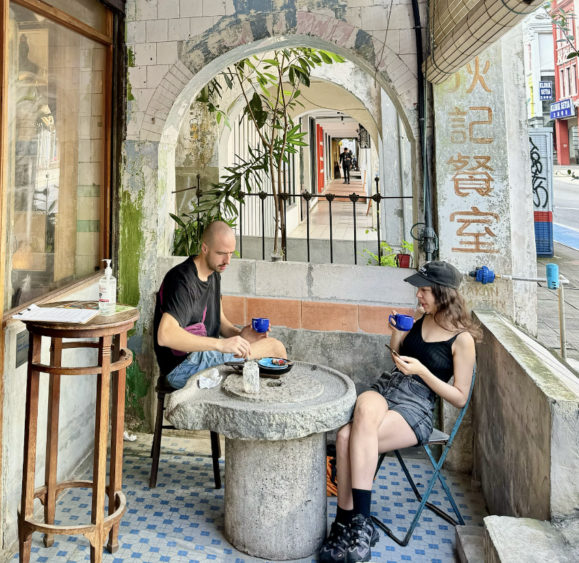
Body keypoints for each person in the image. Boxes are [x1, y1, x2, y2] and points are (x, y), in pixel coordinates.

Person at [319, 261, 479, 563]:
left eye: (424, 290)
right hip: (388, 387)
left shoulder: (462, 339)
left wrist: (424, 372)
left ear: (443, 293)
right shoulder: (420, 317)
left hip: (416, 405)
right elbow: (398, 359)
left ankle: (348, 522)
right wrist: (396, 334)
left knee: (345, 438)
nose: (418, 295)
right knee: (363, 411)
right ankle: (358, 525)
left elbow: (459, 397)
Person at [155, 220, 287, 390]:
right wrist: (220, 345)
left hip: (204, 356)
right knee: (275, 349)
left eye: (231, 253)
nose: (227, 260)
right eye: (221, 253)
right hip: (182, 367)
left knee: (269, 357)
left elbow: (220, 320)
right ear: (204, 248)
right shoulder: (183, 280)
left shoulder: (214, 274)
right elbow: (165, 335)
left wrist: (240, 336)